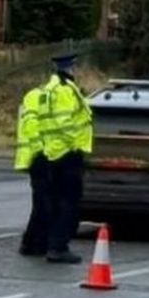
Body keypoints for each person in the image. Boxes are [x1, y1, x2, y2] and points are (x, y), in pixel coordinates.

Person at [39, 54, 93, 264]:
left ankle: (55, 244)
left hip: (52, 153)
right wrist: (75, 146)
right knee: (67, 203)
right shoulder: (63, 91)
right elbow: (65, 123)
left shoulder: (50, 89)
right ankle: (59, 246)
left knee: (55, 202)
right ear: (69, 68)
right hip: (66, 154)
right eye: (74, 67)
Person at [15, 85, 51, 256]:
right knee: (43, 204)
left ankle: (31, 243)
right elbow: (31, 127)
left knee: (40, 204)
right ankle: (33, 244)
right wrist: (41, 150)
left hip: (38, 157)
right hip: (40, 157)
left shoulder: (36, 97)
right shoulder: (39, 98)